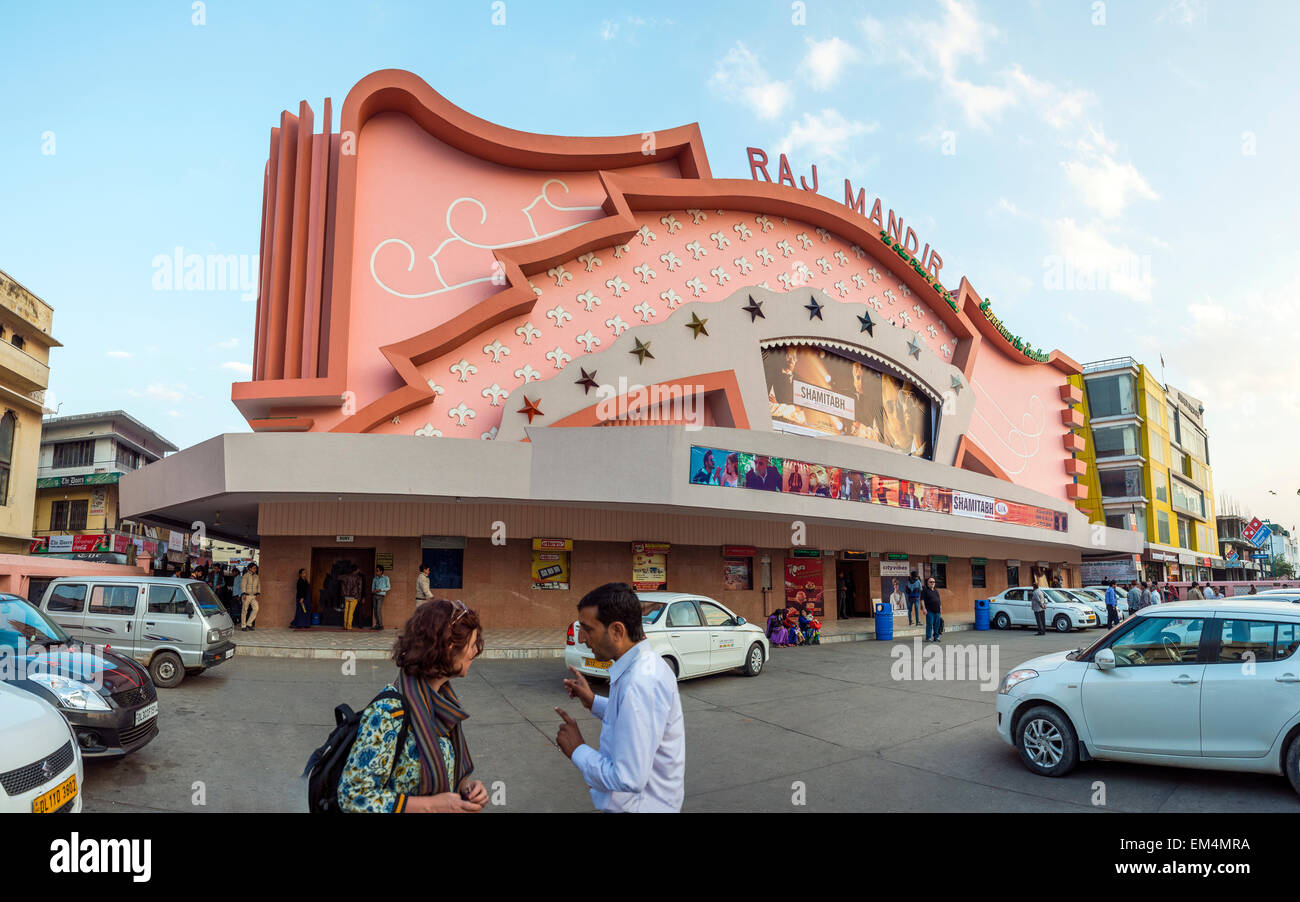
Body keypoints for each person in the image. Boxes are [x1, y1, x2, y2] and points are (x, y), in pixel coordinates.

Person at [337, 599, 488, 813]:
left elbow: (443, 769)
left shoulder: (442, 701)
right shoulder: (389, 712)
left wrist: (465, 787)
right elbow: (353, 796)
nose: (475, 652)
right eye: (472, 645)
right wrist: (431, 806)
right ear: (448, 647)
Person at [557, 582, 685, 813]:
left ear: (617, 631)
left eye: (587, 629)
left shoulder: (640, 681)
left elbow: (628, 778)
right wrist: (592, 701)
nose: (582, 638)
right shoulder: (640, 667)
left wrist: (577, 749)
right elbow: (635, 719)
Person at [340, 563, 364, 631]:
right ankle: (349, 626)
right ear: (356, 570)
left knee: (346, 611)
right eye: (358, 569)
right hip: (354, 596)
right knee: (351, 612)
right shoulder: (359, 578)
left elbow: (338, 577)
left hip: (346, 596)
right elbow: (360, 588)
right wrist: (359, 597)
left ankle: (345, 625)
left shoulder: (345, 576)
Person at [240, 563, 261, 631]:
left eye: (256, 568)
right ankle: (243, 626)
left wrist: (258, 592)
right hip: (246, 595)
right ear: (250, 568)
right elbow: (243, 585)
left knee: (256, 608)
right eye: (254, 568)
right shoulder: (245, 576)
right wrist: (243, 593)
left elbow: (259, 585)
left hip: (253, 596)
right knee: (244, 610)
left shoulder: (256, 576)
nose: (255, 569)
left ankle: (249, 624)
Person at [922, 576, 942, 642]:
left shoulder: (936, 590)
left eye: (933, 582)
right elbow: (922, 600)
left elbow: (939, 600)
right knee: (930, 624)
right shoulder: (925, 590)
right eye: (931, 582)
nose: (932, 583)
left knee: (937, 625)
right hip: (929, 610)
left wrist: (940, 607)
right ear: (927, 583)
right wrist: (924, 609)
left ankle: (936, 637)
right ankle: (928, 637)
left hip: (937, 611)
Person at [371, 565, 390, 630]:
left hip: (381, 595)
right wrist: (374, 591)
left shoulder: (386, 578)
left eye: (378, 571)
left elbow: (388, 587)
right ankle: (377, 624)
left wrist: (381, 589)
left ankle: (381, 625)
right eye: (376, 571)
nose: (376, 572)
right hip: (375, 595)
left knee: (378, 610)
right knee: (375, 610)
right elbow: (372, 589)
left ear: (381, 571)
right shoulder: (375, 579)